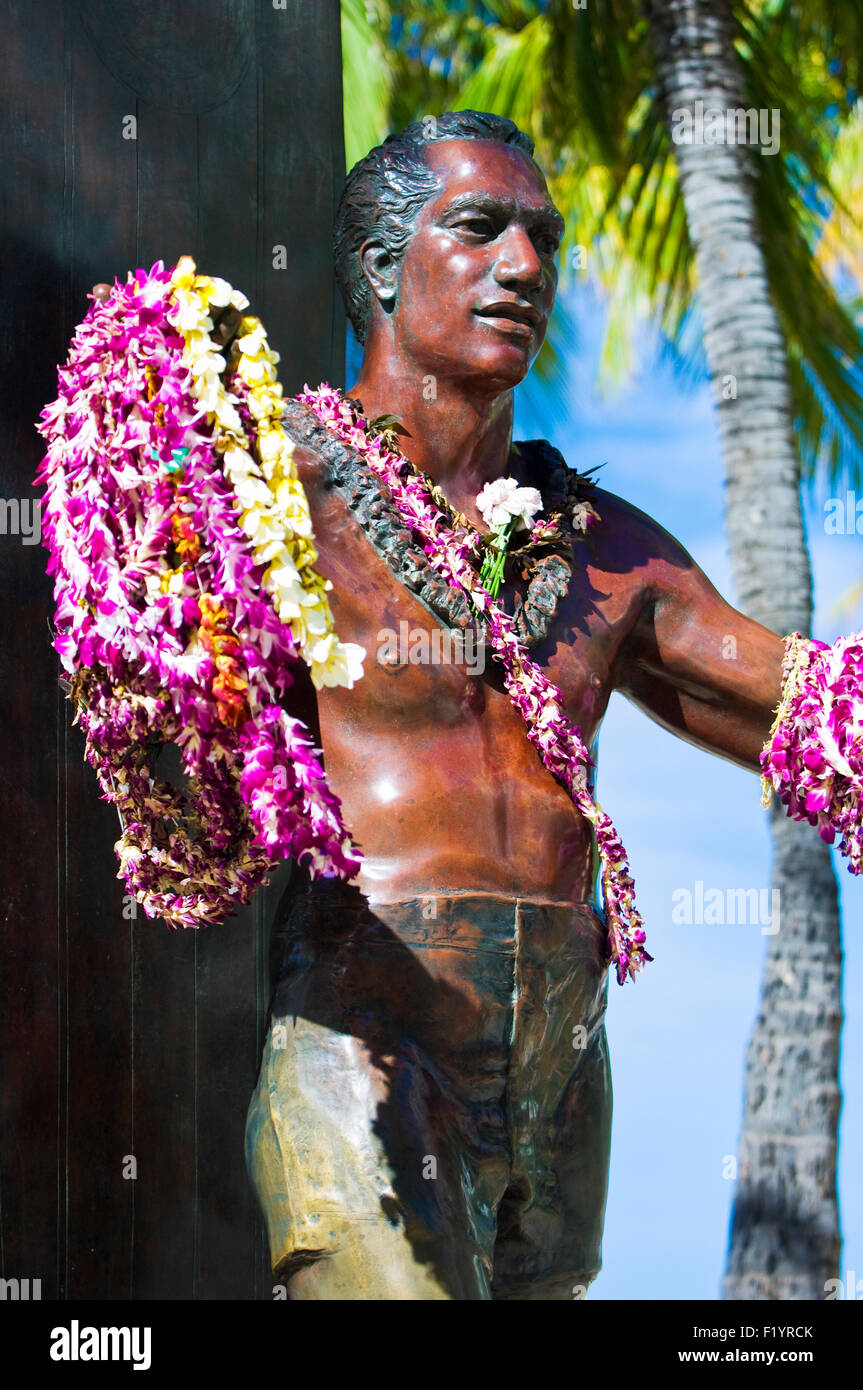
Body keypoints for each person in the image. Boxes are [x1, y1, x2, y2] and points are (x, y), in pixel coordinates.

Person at [239, 109, 786, 1301]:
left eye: (541, 237)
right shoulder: (273, 496)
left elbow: (789, 704)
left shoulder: (601, 550)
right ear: (380, 265)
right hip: (366, 1050)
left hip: (561, 1075)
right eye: (478, 228)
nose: (525, 267)